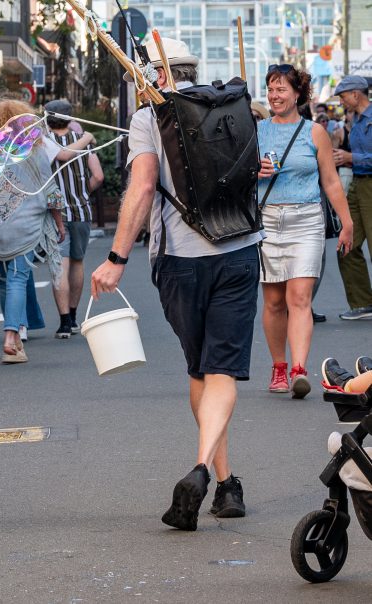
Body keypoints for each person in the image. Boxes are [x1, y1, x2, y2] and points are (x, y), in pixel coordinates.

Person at [91, 37, 262, 531]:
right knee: (222, 370)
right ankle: (221, 480)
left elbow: (143, 187)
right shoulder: (234, 107)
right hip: (240, 250)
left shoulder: (151, 117)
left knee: (200, 370)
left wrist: (117, 257)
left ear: (159, 75)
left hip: (182, 261)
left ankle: (208, 471)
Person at [0, 99, 94, 363]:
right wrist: (58, 223)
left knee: (4, 281)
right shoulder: (33, 151)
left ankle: (15, 337)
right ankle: (10, 337)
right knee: (17, 279)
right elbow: (51, 192)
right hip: (25, 227)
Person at [256, 65, 353, 399]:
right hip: (268, 219)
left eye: (281, 89)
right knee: (273, 301)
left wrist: (347, 222)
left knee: (299, 298)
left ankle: (299, 368)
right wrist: (254, 171)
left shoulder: (315, 132)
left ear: (297, 93)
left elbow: (331, 181)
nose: (274, 96)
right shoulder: (257, 131)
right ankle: (278, 367)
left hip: (307, 219)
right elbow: (234, 176)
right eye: (271, 89)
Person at [44, 99, 104, 337]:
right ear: (69, 118)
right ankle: (74, 316)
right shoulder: (83, 141)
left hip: (54, 213)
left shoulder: (44, 141)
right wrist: (82, 194)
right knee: (77, 262)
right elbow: (98, 176)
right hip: (81, 210)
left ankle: (64, 323)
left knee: (60, 265)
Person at [334, 75, 372, 320]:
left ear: (356, 94)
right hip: (357, 184)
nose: (341, 101)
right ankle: (363, 303)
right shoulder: (355, 120)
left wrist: (351, 158)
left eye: (343, 96)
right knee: (346, 244)